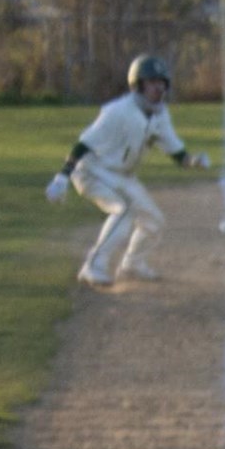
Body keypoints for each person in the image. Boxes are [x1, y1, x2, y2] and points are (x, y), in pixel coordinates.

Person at [44, 54, 210, 288]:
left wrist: (194, 161)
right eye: (152, 82)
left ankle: (132, 264)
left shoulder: (160, 114)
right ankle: (93, 266)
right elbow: (84, 144)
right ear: (138, 85)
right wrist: (62, 176)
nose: (158, 88)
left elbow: (177, 154)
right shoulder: (117, 111)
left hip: (122, 176)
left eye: (161, 82)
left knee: (153, 221)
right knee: (122, 211)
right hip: (92, 170)